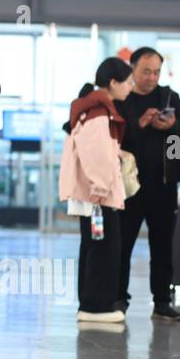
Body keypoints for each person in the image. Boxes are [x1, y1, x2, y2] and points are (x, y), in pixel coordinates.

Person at [115, 47, 180, 321]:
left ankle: (161, 301)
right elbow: (116, 137)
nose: (151, 77)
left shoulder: (168, 97)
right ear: (132, 68)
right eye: (146, 71)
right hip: (129, 187)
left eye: (156, 72)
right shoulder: (122, 98)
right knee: (122, 246)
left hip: (163, 184)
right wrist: (139, 123)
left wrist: (170, 125)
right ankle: (118, 300)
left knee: (162, 247)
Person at [60, 58, 134, 326]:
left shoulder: (93, 108)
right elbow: (96, 155)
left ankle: (92, 305)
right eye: (128, 82)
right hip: (97, 196)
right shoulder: (99, 112)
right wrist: (101, 188)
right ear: (113, 83)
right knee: (104, 249)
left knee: (96, 247)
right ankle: (96, 307)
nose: (130, 87)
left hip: (94, 195)